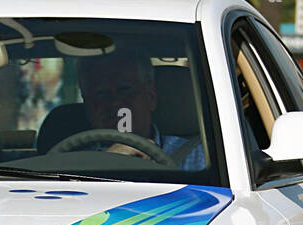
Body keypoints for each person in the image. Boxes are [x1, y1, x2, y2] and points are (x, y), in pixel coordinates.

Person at [77, 51, 206, 170]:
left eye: (125, 90)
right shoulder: (69, 161)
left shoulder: (197, 156)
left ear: (150, 97)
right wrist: (104, 165)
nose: (115, 102)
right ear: (87, 103)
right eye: (101, 93)